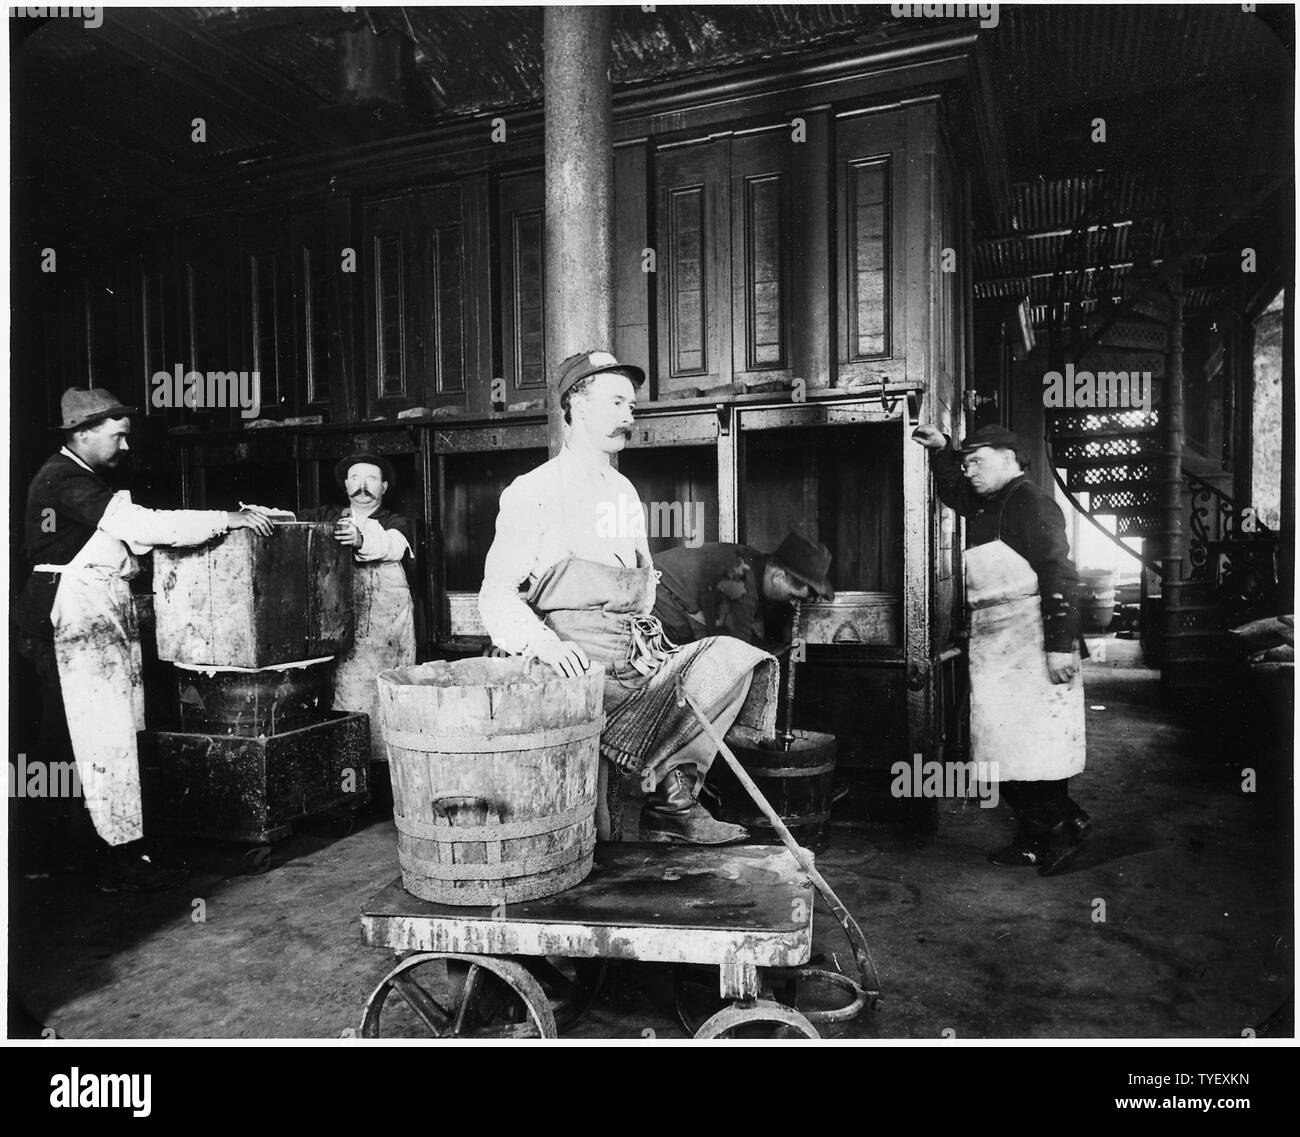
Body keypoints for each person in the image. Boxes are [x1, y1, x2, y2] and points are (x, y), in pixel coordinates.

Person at [478, 350, 777, 845]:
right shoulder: (533, 491)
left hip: (633, 660)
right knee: (592, 839)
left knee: (733, 659)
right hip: (572, 675)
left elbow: (638, 584)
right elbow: (497, 594)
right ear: (574, 404)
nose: (628, 416)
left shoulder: (621, 492)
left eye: (631, 406)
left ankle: (675, 803)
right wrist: (548, 647)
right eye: (616, 403)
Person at [12, 388, 274, 892]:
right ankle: (112, 857)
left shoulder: (82, 478)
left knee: (74, 739)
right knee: (93, 735)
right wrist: (227, 519)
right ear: (82, 433)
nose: (125, 448)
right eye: (117, 437)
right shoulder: (62, 477)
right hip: (72, 614)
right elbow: (137, 525)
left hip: (88, 610)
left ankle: (71, 853)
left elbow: (133, 535)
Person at [911, 422, 1089, 874]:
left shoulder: (1032, 503)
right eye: (967, 463)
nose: (969, 471)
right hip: (998, 639)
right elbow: (955, 492)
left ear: (1009, 459)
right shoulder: (990, 501)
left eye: (977, 461)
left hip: (1033, 637)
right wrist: (944, 450)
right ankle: (1047, 830)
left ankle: (1058, 833)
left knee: (1036, 746)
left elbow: (1059, 574)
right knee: (1004, 747)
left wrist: (1060, 646)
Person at [289, 454, 417, 766]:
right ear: (346, 484)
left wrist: (360, 539)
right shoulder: (327, 514)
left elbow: (393, 545)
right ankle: (351, 780)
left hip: (385, 637)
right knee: (344, 700)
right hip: (340, 631)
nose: (362, 486)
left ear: (384, 487)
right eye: (355, 478)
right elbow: (290, 520)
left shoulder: (397, 521)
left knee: (383, 702)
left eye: (371, 479)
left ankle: (382, 776)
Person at [652, 532, 834, 649]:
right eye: (792, 597)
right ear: (778, 575)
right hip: (648, 605)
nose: (794, 604)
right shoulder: (738, 577)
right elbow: (732, 651)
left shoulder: (755, 563)